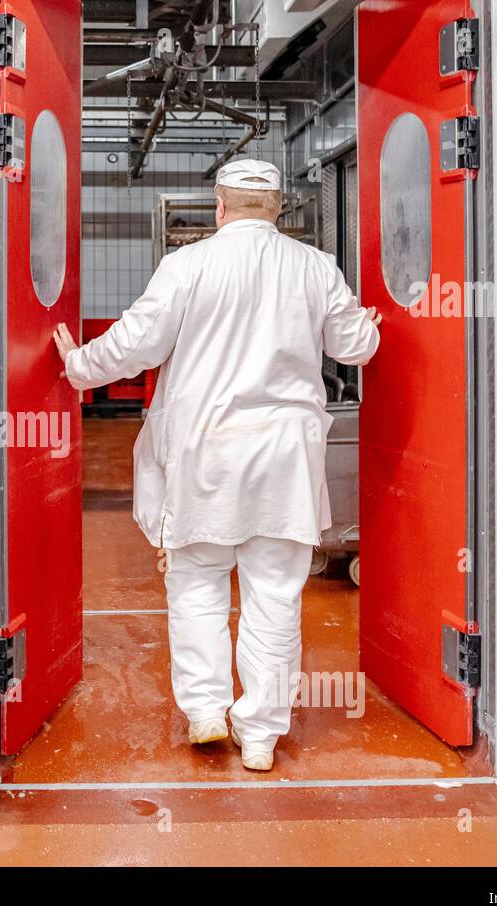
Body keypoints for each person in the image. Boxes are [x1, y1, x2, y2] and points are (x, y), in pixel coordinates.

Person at [53, 158, 381, 771]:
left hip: (206, 456)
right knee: (276, 596)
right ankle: (260, 735)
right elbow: (354, 347)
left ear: (219, 208)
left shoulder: (188, 266)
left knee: (198, 585)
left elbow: (137, 342)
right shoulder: (315, 267)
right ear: (279, 209)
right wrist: (369, 327)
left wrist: (79, 367)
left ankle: (206, 710)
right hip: (284, 460)